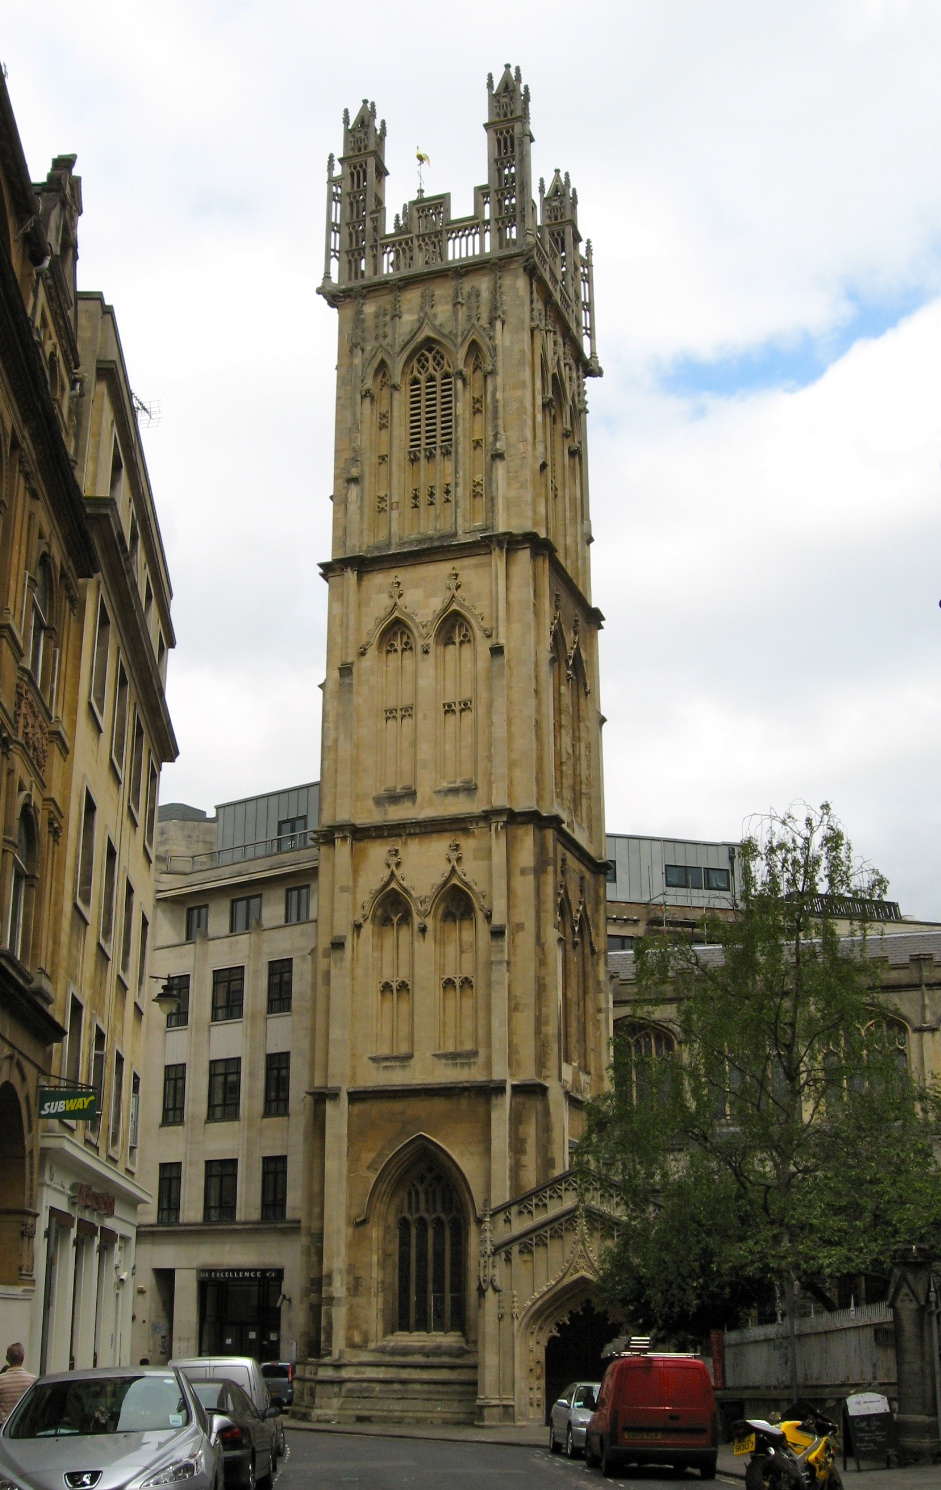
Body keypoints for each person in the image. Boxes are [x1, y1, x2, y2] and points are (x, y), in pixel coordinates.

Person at [0, 1342, 35, 1424]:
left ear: (7, 1358)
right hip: (24, 1428)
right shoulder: (32, 1381)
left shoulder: (1, 1380)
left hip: (3, 1427)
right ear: (23, 1358)